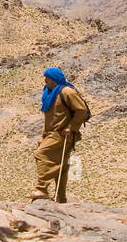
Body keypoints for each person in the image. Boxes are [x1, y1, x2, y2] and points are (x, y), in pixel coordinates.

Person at [30, 67, 90, 203]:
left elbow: (81, 110)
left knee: (41, 154)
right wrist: (43, 136)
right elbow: (50, 118)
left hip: (63, 134)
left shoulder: (67, 92)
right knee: (61, 165)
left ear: (55, 79)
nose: (45, 81)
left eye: (48, 78)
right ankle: (61, 197)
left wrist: (71, 127)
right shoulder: (49, 94)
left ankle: (41, 189)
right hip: (51, 133)